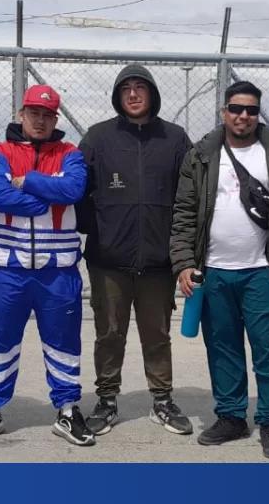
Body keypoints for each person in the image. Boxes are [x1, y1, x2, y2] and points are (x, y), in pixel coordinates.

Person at [170, 80, 269, 459]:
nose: (243, 115)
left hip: (264, 270)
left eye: (250, 109)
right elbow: (182, 213)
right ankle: (230, 416)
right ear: (223, 111)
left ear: (257, 113)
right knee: (223, 348)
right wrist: (183, 262)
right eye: (235, 108)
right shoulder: (200, 155)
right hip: (213, 271)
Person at [0, 85, 94, 446]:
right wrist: (45, 197)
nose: (40, 120)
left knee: (63, 342)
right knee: (1, 340)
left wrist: (28, 183)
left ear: (55, 119)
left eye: (47, 115)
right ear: (21, 113)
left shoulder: (71, 154)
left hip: (57, 270)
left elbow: (73, 191)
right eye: (34, 112)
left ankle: (67, 410)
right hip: (8, 269)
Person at [77, 65, 193, 436]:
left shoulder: (174, 139)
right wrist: (99, 230)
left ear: (152, 93)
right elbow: (78, 191)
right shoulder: (98, 138)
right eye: (125, 88)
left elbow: (189, 196)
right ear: (117, 95)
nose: (132, 94)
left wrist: (180, 250)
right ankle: (107, 400)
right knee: (109, 333)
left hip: (159, 262)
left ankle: (162, 399)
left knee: (157, 333)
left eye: (140, 87)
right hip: (109, 260)